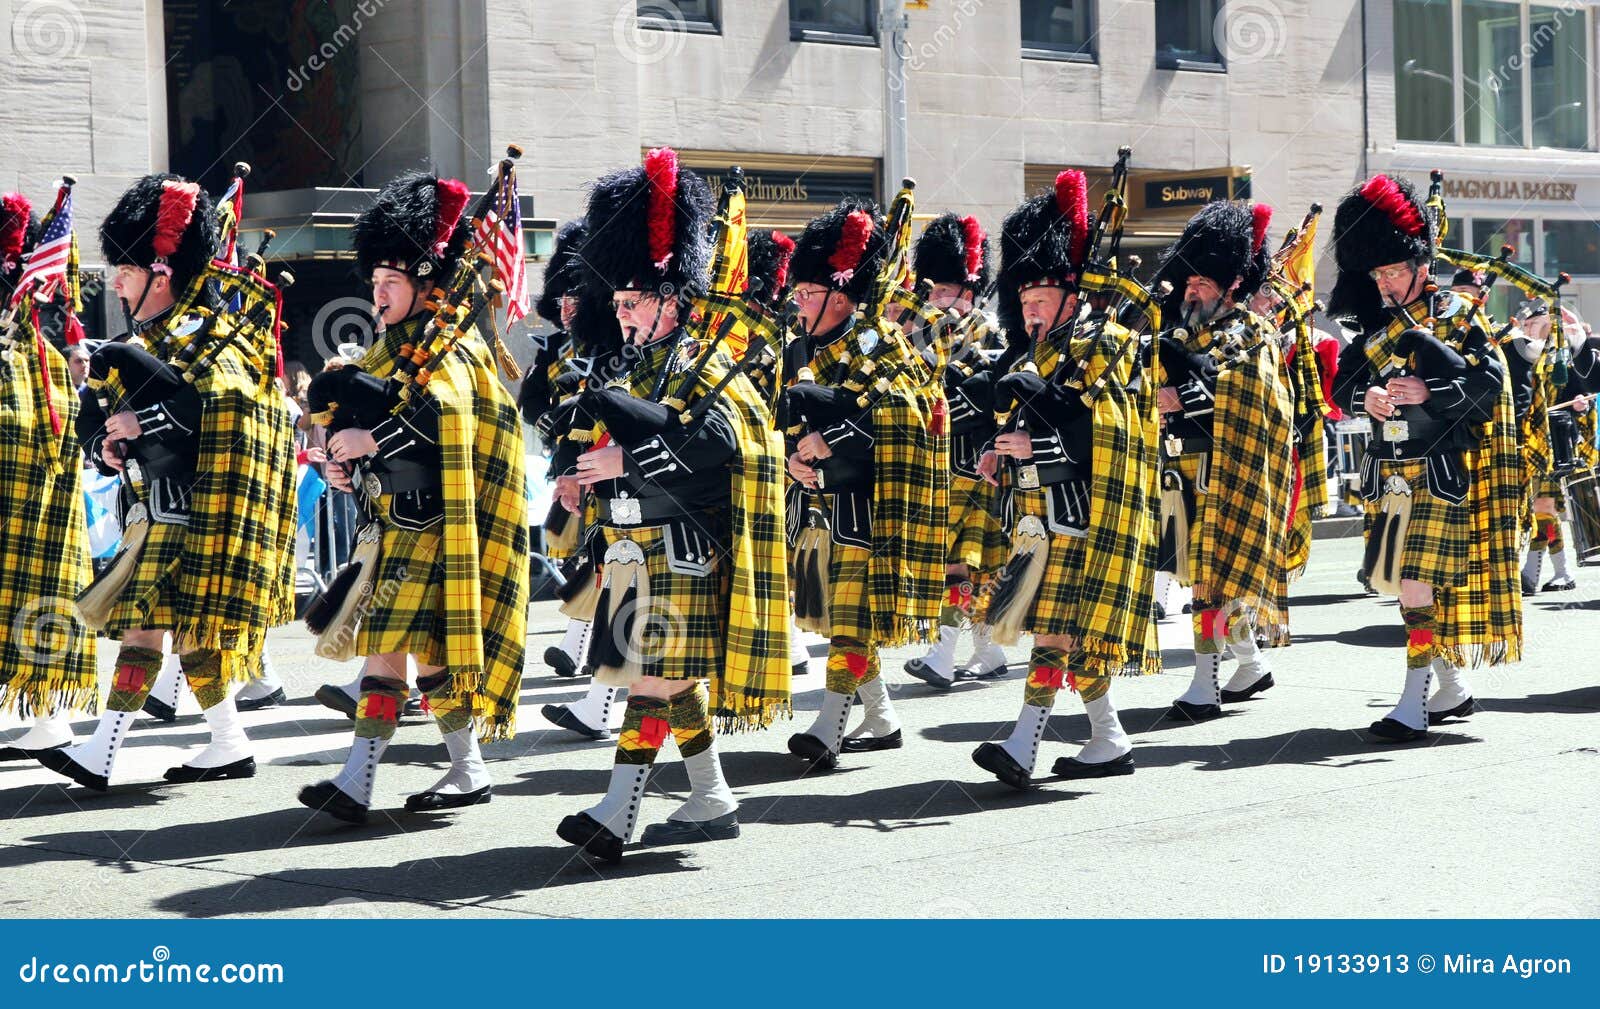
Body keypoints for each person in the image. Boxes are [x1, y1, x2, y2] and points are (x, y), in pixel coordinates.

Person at [553, 148, 791, 863]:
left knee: (651, 677)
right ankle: (712, 795)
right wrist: (583, 480)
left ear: (671, 298)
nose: (621, 314)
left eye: (633, 302)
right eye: (618, 302)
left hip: (686, 549)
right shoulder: (637, 364)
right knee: (669, 677)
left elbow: (722, 443)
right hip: (632, 548)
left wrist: (630, 458)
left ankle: (616, 814)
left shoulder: (705, 362)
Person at [37, 173, 295, 791]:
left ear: (162, 271)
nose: (116, 281)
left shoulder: (207, 333)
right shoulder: (146, 337)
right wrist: (109, 445)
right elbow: (115, 428)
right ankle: (228, 742)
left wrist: (143, 419)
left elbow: (225, 408)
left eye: (125, 269)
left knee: (144, 621)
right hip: (149, 506)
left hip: (191, 512)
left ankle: (103, 751)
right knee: (178, 630)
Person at [297, 170, 530, 823]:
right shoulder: (390, 348)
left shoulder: (454, 348)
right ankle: (460, 767)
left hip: (434, 526)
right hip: (390, 524)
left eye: (390, 282)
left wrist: (372, 435)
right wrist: (348, 466)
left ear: (428, 283)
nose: (377, 294)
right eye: (373, 283)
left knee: (397, 650)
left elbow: (447, 418)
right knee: (417, 656)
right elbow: (364, 428)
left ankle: (363, 778)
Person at [968, 169, 1162, 787]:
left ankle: (1023, 744)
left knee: (1054, 627)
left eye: (1040, 300)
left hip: (1079, 513)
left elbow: (1114, 431)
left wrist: (1040, 441)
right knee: (1063, 631)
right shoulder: (1028, 354)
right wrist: (1001, 452)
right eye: (1022, 301)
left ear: (1072, 298)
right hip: (1029, 515)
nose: (1028, 310)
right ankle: (1108, 738)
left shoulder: (1108, 344)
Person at [1328, 173, 1521, 740]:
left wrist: (1431, 394)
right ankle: (1452, 688)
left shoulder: (1460, 316)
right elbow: (1340, 389)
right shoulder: (1372, 327)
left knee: (1415, 583)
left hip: (1442, 472)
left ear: (1420, 264)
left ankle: (1412, 703)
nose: (1385, 283)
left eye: (1393, 271)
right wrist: (1368, 397)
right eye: (1378, 273)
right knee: (1405, 585)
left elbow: (1491, 386)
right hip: (1388, 473)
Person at [780, 198, 944, 770]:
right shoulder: (798, 348)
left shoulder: (880, 341)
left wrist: (833, 439)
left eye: (807, 292)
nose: (797, 302)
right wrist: (791, 460)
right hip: (816, 506)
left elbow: (910, 408)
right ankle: (881, 717)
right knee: (842, 617)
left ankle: (828, 727)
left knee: (849, 620)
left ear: (841, 295)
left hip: (869, 503)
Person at [1154, 201, 1297, 721]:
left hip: (1229, 470)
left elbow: (1259, 396)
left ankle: (1202, 684)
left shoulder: (1252, 332)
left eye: (1202, 282)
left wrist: (1183, 397)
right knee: (1199, 575)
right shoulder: (1174, 331)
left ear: (1232, 284)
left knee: (1211, 579)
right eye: (1187, 281)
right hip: (1178, 468)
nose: (1191, 290)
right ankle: (1250, 663)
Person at [0, 189, 97, 760]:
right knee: (39, 597)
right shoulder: (47, 358)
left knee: (33, 598)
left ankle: (51, 720)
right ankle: (49, 720)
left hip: (29, 506)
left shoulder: (27, 358)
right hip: (42, 511)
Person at [901, 212, 1011, 689]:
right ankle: (990, 649)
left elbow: (994, 394)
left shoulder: (988, 333)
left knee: (958, 559)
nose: (937, 299)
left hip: (976, 460)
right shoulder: (919, 334)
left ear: (968, 290)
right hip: (937, 462)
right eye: (933, 291)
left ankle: (943, 651)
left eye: (946, 290)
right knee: (976, 561)